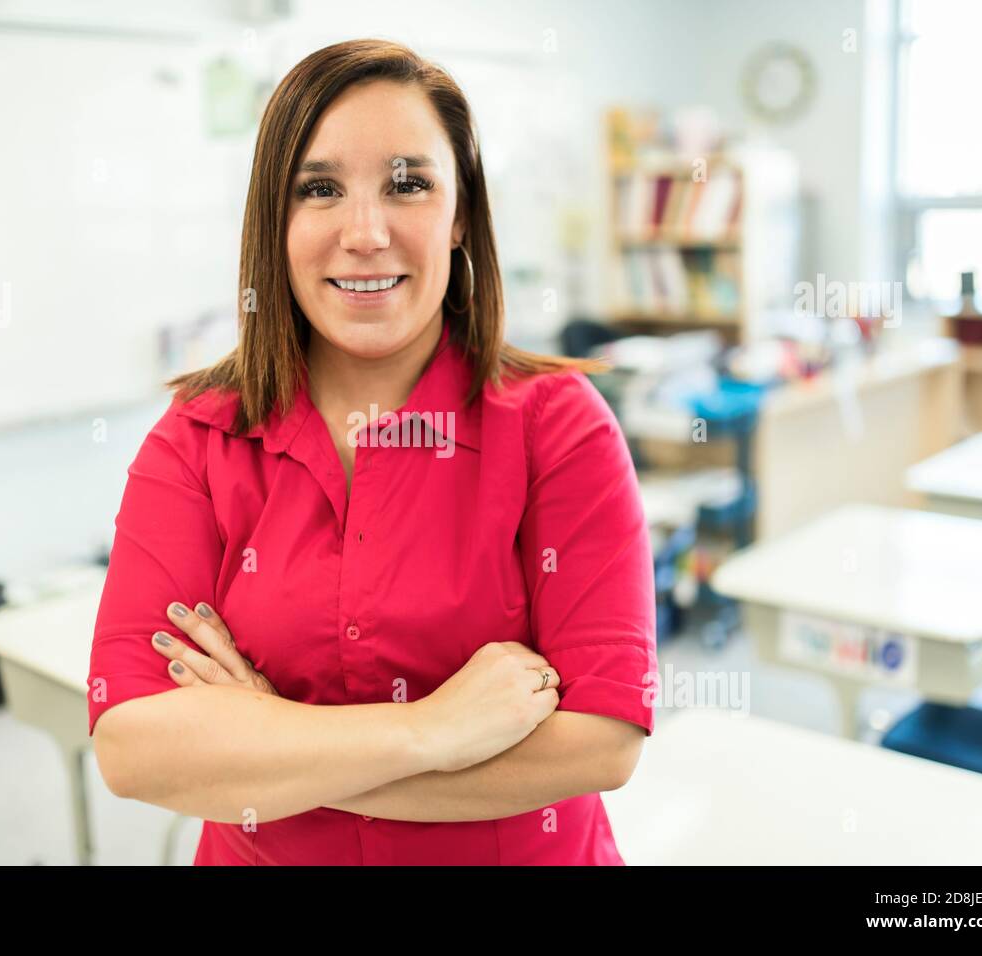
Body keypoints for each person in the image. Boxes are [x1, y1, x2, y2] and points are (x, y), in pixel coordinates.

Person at [87, 38, 657, 865]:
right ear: (274, 223)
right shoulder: (197, 439)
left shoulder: (557, 428)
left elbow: (600, 743)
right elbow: (136, 748)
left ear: (461, 215)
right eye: (319, 189)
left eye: (408, 185)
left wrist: (266, 737)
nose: (364, 233)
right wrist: (431, 729)